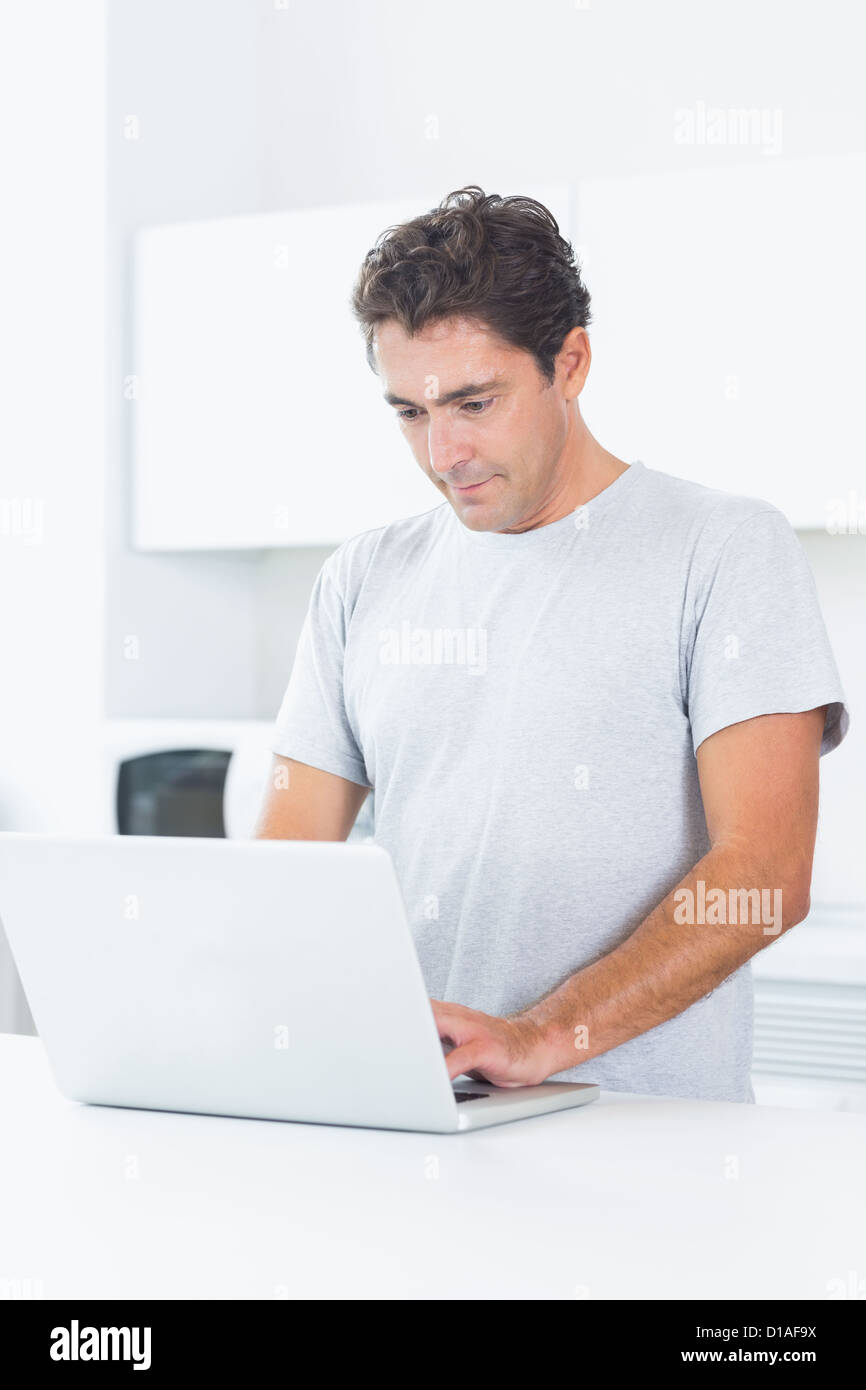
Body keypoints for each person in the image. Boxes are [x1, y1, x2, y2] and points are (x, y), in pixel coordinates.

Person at [254, 186, 848, 1102]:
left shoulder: (722, 549)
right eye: (410, 413)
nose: (441, 453)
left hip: (650, 1150)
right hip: (423, 1120)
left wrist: (541, 1038)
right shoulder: (363, 579)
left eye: (474, 403)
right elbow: (287, 865)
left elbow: (764, 874)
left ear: (569, 364)